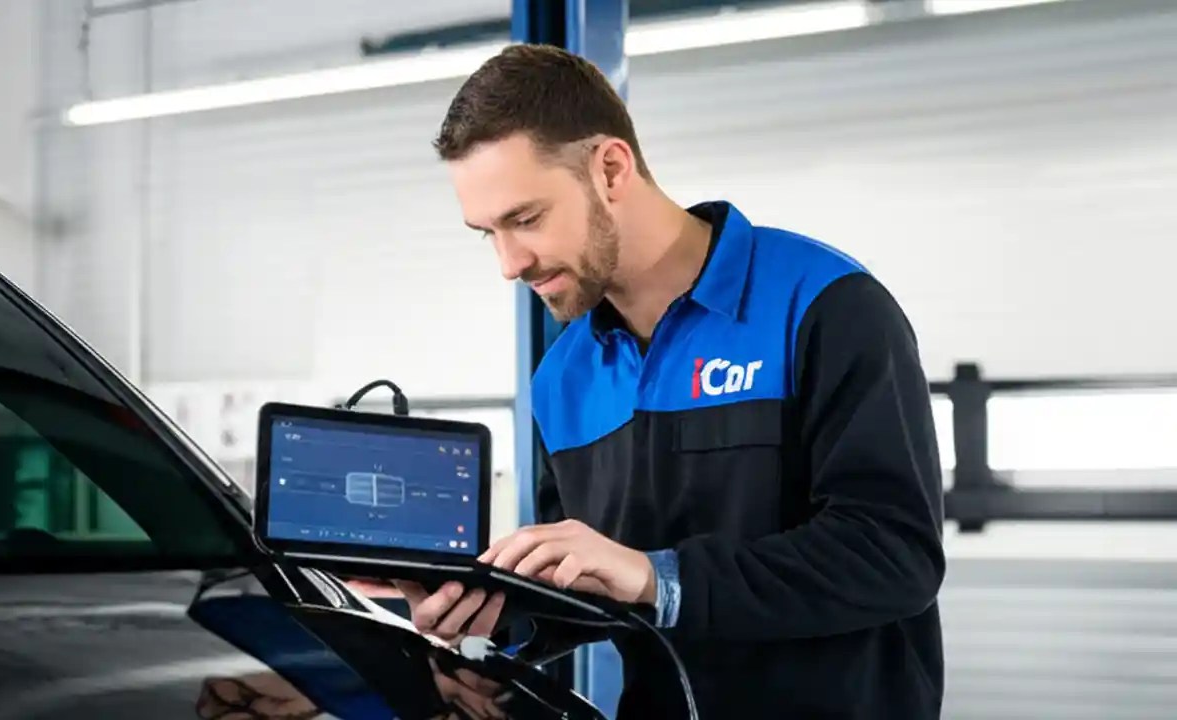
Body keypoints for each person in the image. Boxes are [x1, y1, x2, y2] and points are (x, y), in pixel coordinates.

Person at [396, 43, 946, 719]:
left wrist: (662, 577)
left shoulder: (822, 304)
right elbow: (591, 595)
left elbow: (895, 557)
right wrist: (491, 612)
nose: (510, 263)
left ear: (611, 169)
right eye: (488, 234)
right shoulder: (562, 379)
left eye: (526, 219)